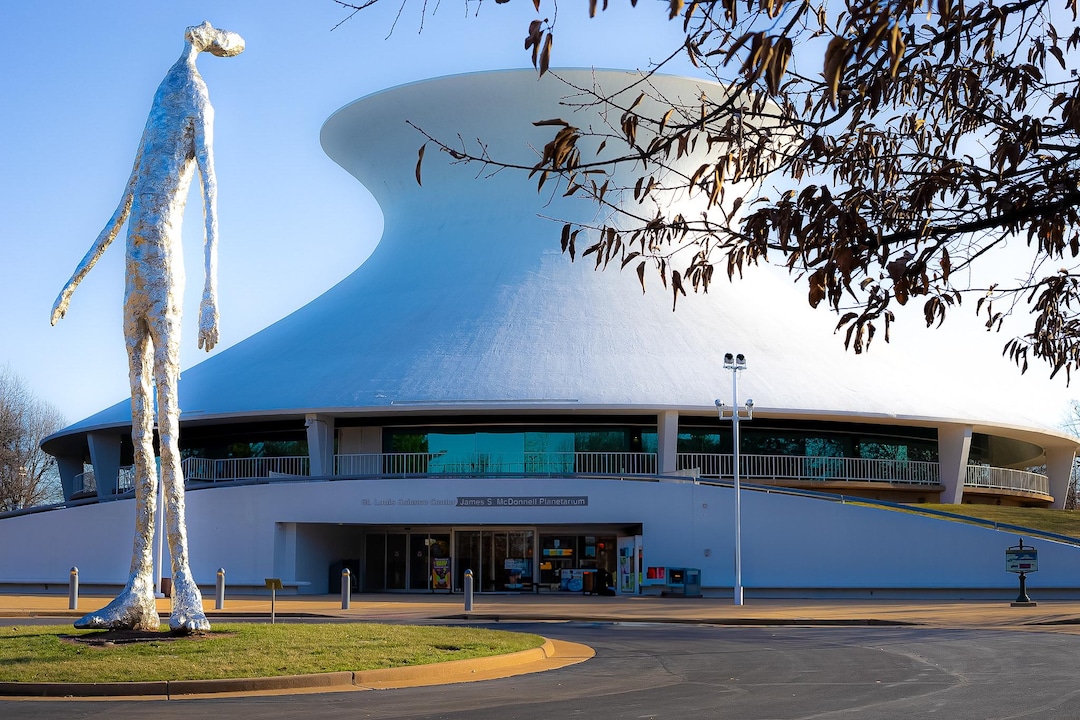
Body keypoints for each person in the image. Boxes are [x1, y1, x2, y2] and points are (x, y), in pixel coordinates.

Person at [51, 21, 244, 633]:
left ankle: (182, 580)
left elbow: (212, 193)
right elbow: (125, 199)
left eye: (211, 34)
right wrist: (76, 278)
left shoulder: (195, 97)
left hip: (166, 276)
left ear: (213, 41)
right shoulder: (163, 94)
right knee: (138, 438)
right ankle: (138, 585)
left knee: (168, 433)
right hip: (132, 278)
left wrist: (211, 293)